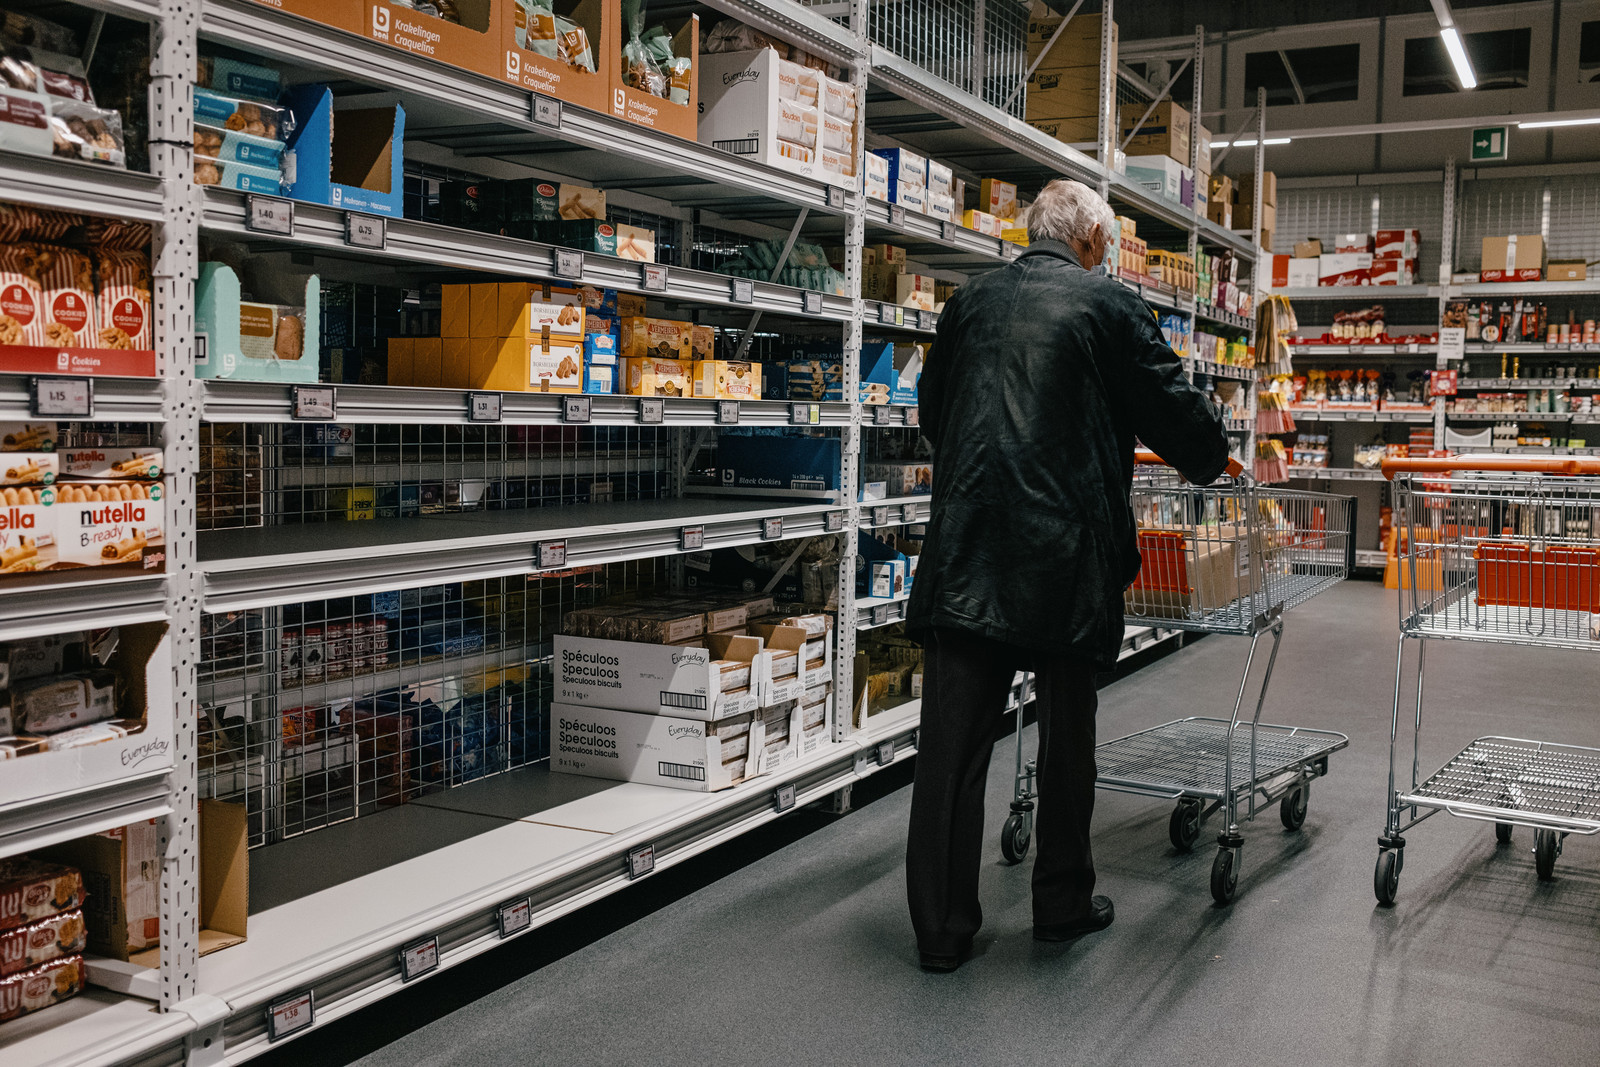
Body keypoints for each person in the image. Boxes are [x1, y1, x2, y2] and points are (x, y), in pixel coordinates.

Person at [904, 178, 1232, 972]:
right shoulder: (1110, 308)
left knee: (950, 750)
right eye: (1108, 242)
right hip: (1065, 557)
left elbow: (933, 413)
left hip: (969, 550)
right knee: (1065, 741)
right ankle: (1059, 903)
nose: (1108, 255)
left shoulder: (970, 303)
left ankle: (942, 933)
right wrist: (1211, 453)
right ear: (1086, 235)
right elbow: (1188, 428)